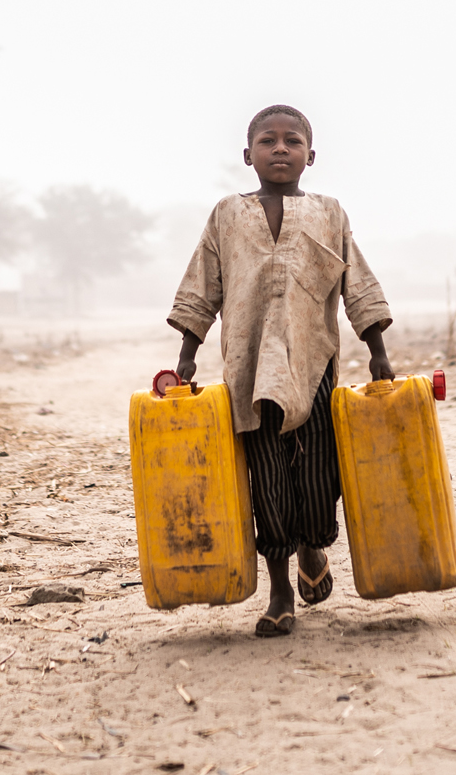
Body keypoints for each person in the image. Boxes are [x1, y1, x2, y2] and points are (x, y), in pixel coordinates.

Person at [167, 104, 393, 637]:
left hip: (312, 363)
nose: (280, 149)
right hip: (248, 372)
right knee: (266, 478)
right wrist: (185, 355)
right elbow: (203, 284)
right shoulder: (226, 214)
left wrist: (377, 347)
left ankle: (313, 548)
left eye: (292, 141)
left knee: (317, 475)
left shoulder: (329, 213)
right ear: (248, 156)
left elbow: (355, 282)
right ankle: (279, 589)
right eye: (268, 141)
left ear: (310, 155)